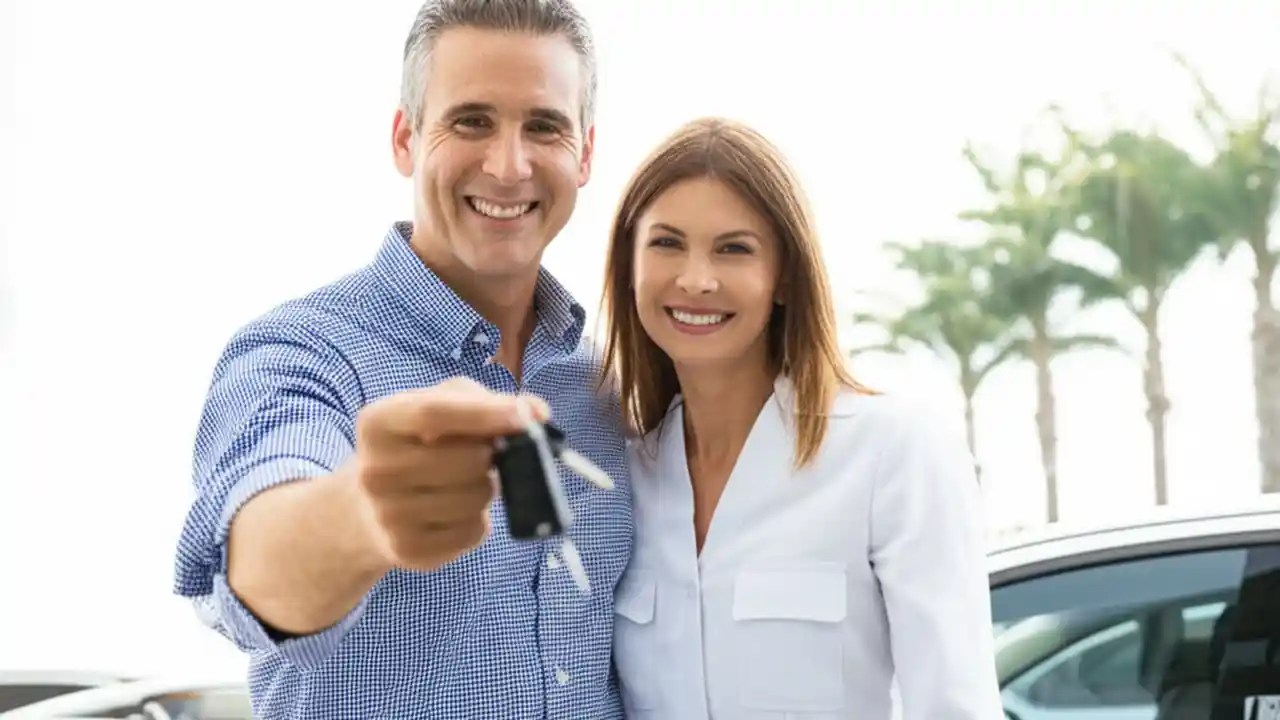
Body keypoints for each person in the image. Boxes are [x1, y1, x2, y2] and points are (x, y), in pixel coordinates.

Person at [170, 1, 632, 718]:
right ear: (405, 137)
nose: (509, 166)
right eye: (471, 120)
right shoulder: (300, 353)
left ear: (586, 155)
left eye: (544, 126)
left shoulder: (607, 387)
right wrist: (361, 515)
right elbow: (253, 556)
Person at [598, 117, 1004, 719]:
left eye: (733, 248)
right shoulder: (622, 475)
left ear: (784, 275)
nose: (696, 279)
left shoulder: (893, 453)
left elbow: (954, 706)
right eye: (667, 243)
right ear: (630, 262)